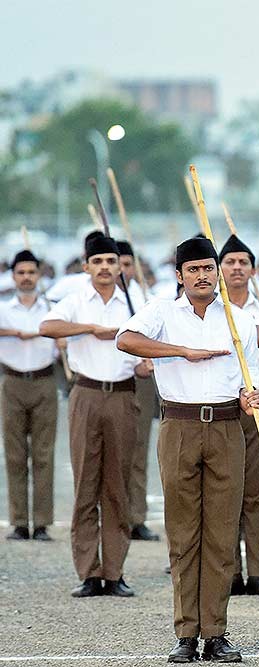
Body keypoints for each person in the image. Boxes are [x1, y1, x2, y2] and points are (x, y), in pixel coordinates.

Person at [116, 236, 259, 663]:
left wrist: (247, 398)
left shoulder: (240, 320)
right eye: (193, 269)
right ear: (179, 275)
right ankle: (185, 634)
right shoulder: (162, 312)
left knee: (220, 534)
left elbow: (247, 379)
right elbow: (126, 340)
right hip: (179, 425)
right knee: (184, 534)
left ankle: (215, 632)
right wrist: (181, 350)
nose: (202, 276)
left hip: (225, 428)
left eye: (208, 268)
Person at [40, 233, 144, 598]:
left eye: (111, 262)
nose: (104, 268)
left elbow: (146, 355)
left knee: (118, 486)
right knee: (86, 483)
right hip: (85, 393)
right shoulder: (75, 301)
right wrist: (90, 329)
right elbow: (47, 327)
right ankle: (89, 571)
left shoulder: (134, 303)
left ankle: (114, 571)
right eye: (97, 262)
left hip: (122, 395)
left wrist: (146, 363)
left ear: (120, 267)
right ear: (86, 266)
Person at [219, 234, 259, 597]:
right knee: (226, 488)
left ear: (253, 270)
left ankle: (258, 571)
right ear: (219, 269)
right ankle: (230, 571)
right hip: (227, 404)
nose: (237, 267)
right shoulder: (213, 312)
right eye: (230, 262)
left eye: (244, 262)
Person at [0, 250, 58, 542]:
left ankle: (43, 523)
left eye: (31, 272)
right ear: (13, 276)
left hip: (45, 381)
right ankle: (20, 522)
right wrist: (15, 332)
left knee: (44, 455)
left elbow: (63, 339)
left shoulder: (51, 308)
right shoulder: (4, 308)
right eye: (21, 272)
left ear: (39, 275)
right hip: (12, 381)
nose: (26, 277)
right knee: (15, 454)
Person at [116, 240, 161, 543]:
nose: (121, 270)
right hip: (108, 383)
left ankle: (136, 517)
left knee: (139, 450)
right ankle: (114, 516)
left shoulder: (147, 299)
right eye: (116, 263)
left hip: (140, 382)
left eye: (127, 264)